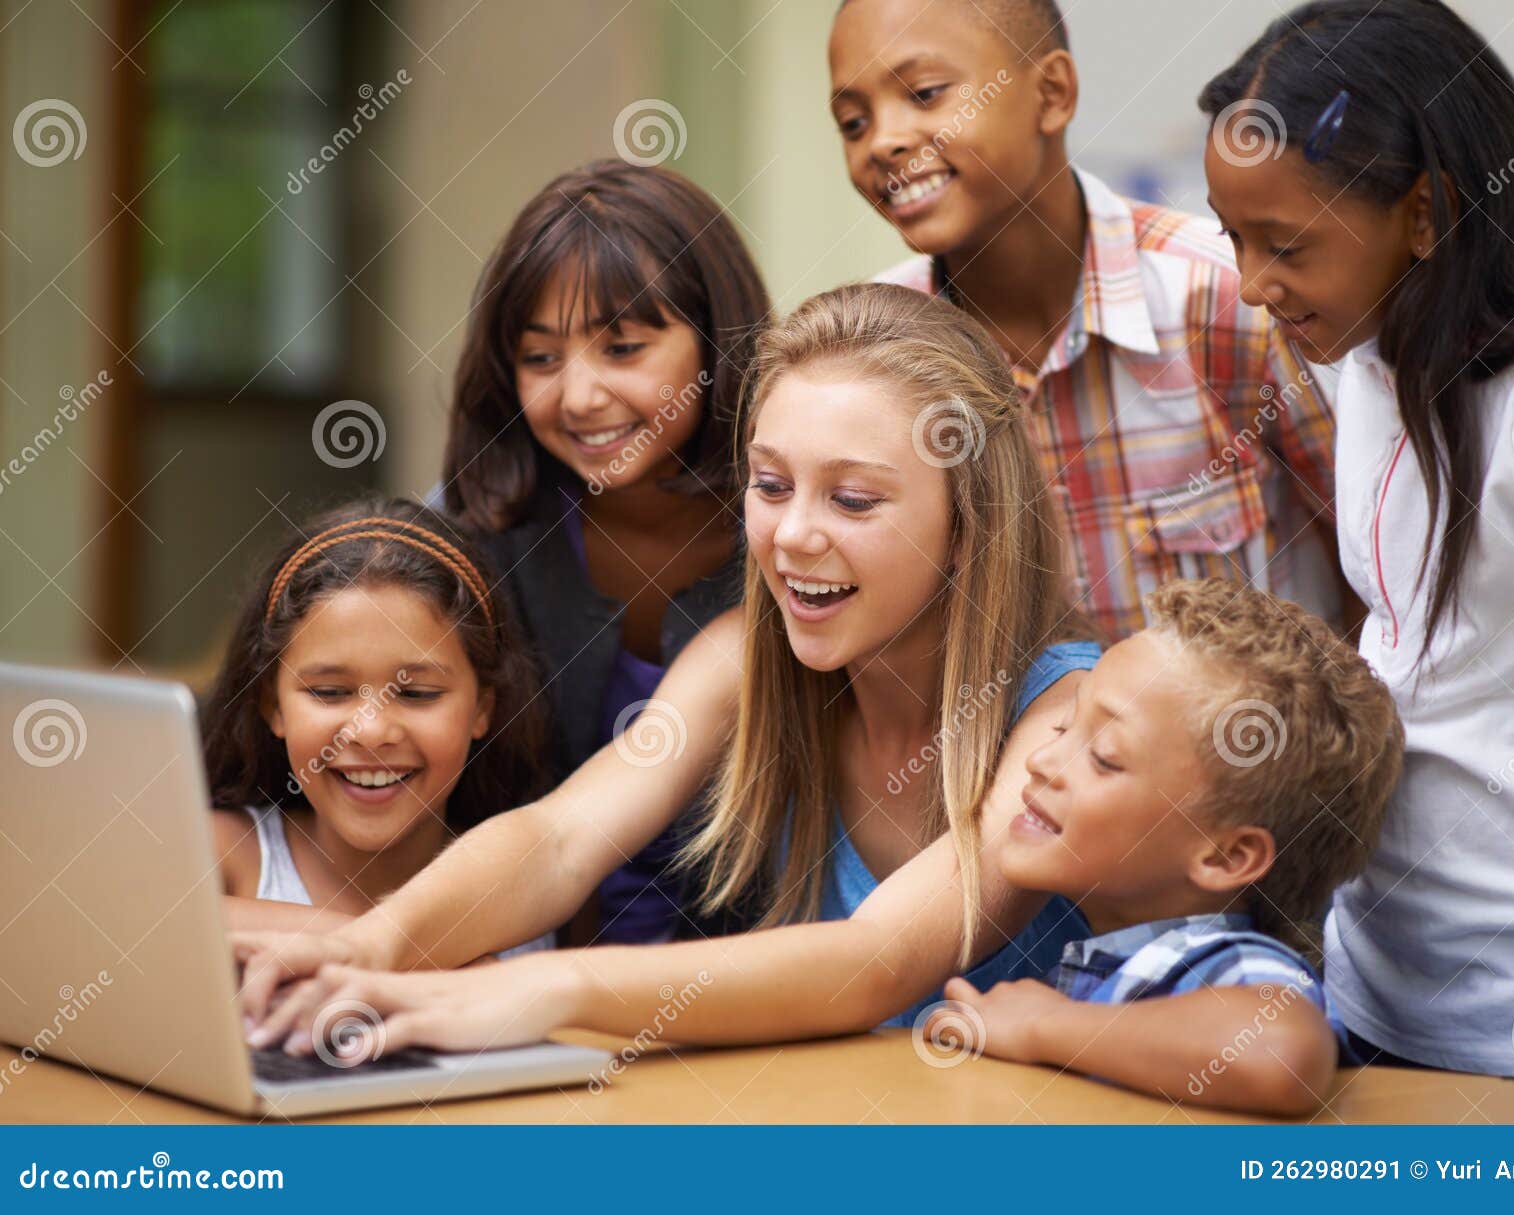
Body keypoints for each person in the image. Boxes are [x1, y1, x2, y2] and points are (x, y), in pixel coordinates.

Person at [233, 283, 1100, 1056]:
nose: (793, 534)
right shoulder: (743, 660)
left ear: (970, 517)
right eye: (770, 484)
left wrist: (549, 988)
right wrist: (375, 942)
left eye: (853, 498)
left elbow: (875, 962)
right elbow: (562, 839)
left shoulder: (1065, 713)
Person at [1202, 0, 1514, 1121]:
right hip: (1379, 991)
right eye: (1233, 239)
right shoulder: (1365, 354)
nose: (1252, 285)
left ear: (1423, 214)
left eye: (1284, 245)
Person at [828, 0, 1348, 642]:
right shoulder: (878, 356)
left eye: (927, 93)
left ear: (1052, 92)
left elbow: (1371, 567)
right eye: (853, 123)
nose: (883, 140)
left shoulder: (1230, 296)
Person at [441, 160, 770, 944]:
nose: (579, 396)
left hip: (752, 993)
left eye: (623, 347)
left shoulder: (800, 535)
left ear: (716, 346)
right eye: (541, 358)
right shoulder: (474, 537)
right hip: (510, 972)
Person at [927, 578, 1402, 1117]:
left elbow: (1284, 1051)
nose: (1042, 761)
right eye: (1063, 726)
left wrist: (1044, 1026)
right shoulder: (1115, 961)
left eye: (1104, 757)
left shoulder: (1218, 963)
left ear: (1225, 857)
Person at [206, 498, 553, 958]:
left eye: (417, 694)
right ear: (273, 705)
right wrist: (405, 951)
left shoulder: (530, 882)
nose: (370, 732)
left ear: (481, 708)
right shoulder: (224, 852)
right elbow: (143, 923)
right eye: (329, 693)